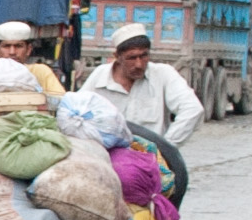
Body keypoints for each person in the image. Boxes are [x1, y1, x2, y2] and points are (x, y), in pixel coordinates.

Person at [74, 25, 204, 149]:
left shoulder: (163, 74)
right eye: (132, 58)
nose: (139, 64)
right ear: (117, 57)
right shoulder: (100, 76)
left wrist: (166, 146)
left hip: (151, 158)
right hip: (109, 156)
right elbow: (74, 112)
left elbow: (192, 109)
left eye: (144, 56)